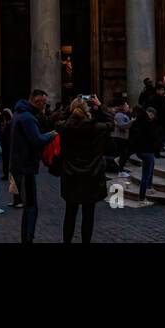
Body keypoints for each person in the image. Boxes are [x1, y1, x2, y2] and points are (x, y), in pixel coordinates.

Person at [57, 96, 113, 243]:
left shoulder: (65, 127)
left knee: (70, 214)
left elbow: (55, 121)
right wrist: (101, 106)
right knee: (88, 215)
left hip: (71, 176)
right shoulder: (97, 128)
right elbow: (111, 123)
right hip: (92, 176)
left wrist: (70, 108)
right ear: (87, 110)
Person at [10, 90, 55, 243]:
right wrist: (52, 135)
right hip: (25, 167)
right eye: (42, 102)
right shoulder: (28, 118)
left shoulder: (19, 114)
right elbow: (36, 140)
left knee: (29, 206)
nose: (44, 105)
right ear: (36, 101)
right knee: (31, 207)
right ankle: (28, 238)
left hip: (19, 165)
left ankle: (27, 237)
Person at [128, 106, 160, 206]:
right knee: (145, 174)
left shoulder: (138, 122)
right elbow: (153, 136)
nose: (152, 117)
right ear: (148, 113)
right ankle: (142, 198)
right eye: (151, 115)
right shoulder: (147, 124)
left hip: (141, 150)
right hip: (147, 150)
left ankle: (149, 188)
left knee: (149, 169)